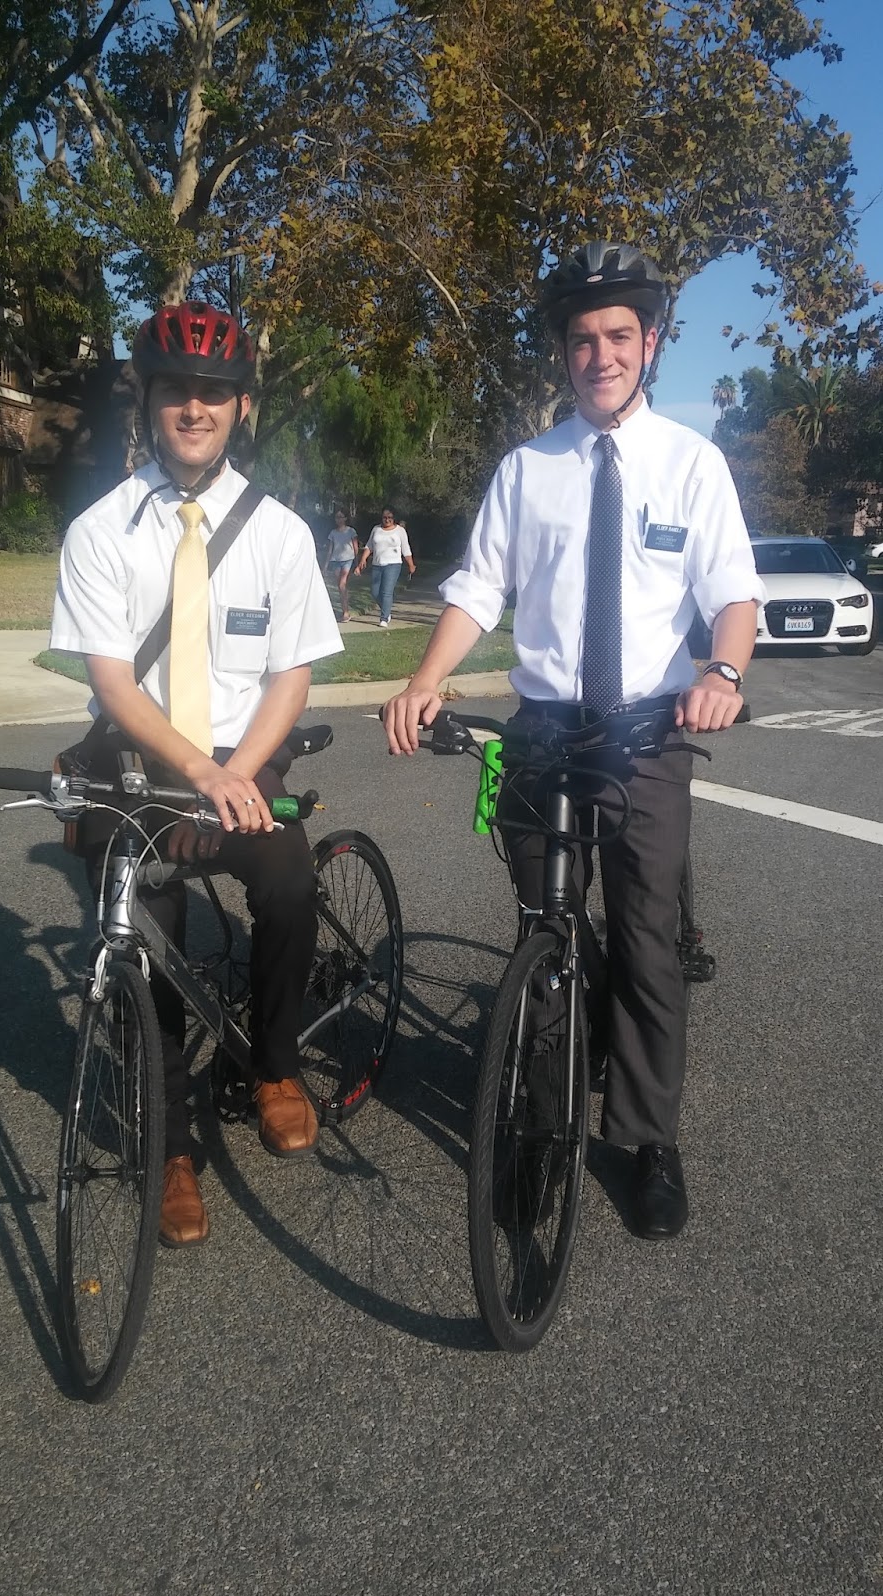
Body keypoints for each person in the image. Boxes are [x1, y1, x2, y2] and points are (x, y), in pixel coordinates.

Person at [382, 241, 763, 1241]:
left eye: (619, 336)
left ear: (652, 343)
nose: (602, 355)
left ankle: (646, 1139)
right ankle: (543, 1127)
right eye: (584, 339)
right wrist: (423, 679)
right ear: (564, 352)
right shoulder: (528, 469)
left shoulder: (692, 463)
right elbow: (478, 589)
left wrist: (722, 674)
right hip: (544, 733)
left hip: (649, 734)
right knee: (545, 929)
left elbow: (733, 594)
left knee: (645, 937)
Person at [50, 300, 344, 1247]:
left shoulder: (281, 534)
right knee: (150, 932)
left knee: (289, 884)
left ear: (240, 408)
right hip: (141, 758)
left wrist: (237, 773)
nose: (194, 407)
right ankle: (172, 1144)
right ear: (148, 401)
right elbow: (111, 681)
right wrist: (191, 772)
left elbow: (291, 677)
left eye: (213, 393)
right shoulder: (99, 530)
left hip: (241, 755)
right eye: (176, 389)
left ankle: (275, 1064)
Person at [355, 507, 416, 626]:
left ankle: (384, 618)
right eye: (384, 517)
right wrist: (363, 559)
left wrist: (411, 564)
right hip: (377, 564)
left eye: (390, 517)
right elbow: (369, 546)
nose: (387, 520)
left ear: (394, 518)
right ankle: (386, 610)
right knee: (375, 592)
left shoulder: (400, 531)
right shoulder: (376, 529)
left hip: (393, 564)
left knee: (387, 592)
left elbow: (406, 549)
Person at [323, 508, 359, 622]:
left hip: (347, 560)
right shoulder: (333, 533)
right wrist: (325, 566)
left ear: (345, 518)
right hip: (335, 560)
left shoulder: (351, 531)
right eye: (337, 517)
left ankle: (346, 613)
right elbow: (330, 550)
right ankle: (345, 608)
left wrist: (357, 564)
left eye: (340, 517)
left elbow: (355, 547)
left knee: (341, 584)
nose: (338, 520)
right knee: (340, 586)